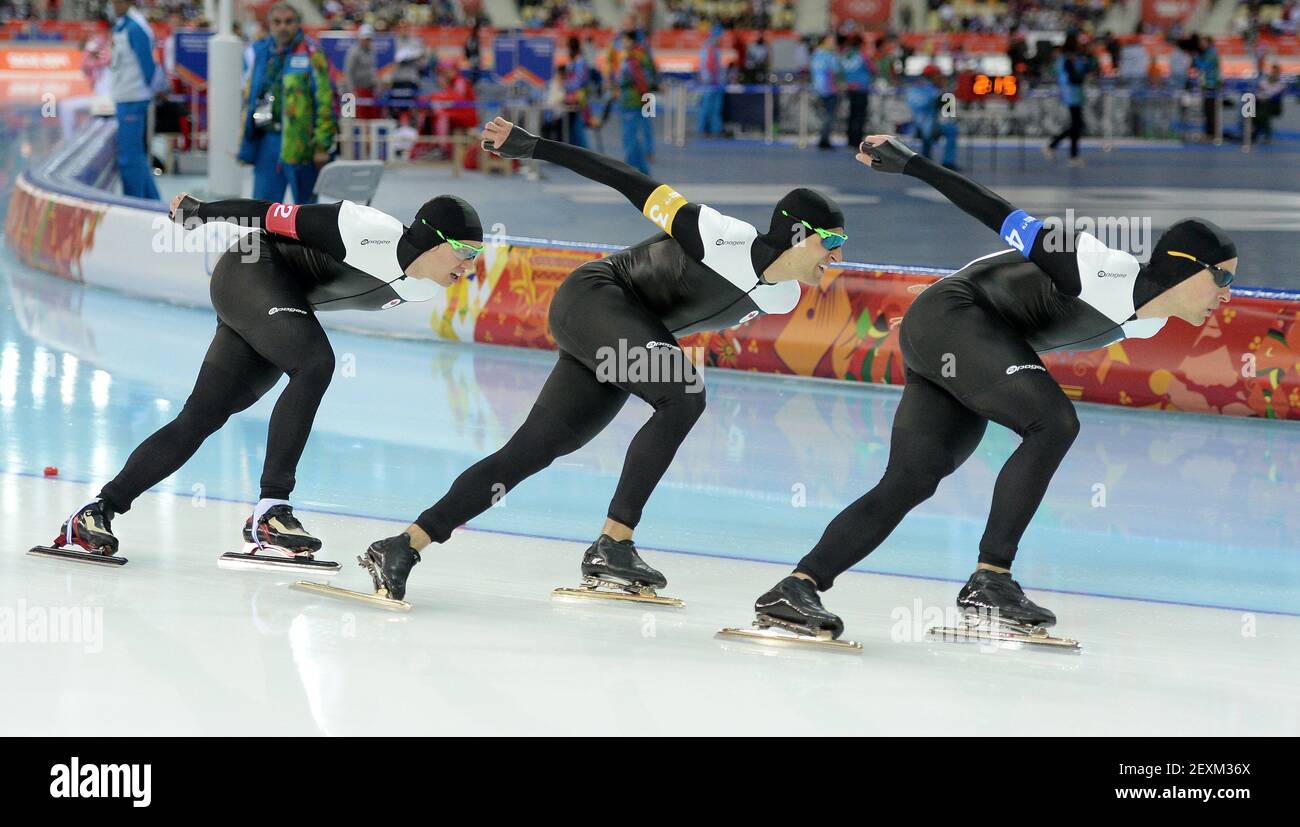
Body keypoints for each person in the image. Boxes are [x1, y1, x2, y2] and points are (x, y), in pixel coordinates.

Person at [746, 135, 1237, 642]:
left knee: (913, 477)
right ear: (1185, 267)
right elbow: (997, 212)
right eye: (1221, 277)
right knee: (1053, 422)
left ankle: (795, 588)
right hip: (952, 316)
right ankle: (991, 579)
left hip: (963, 341)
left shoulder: (1150, 324)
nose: (1227, 293)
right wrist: (913, 164)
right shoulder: (1094, 265)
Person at [355, 116, 847, 602]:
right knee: (684, 396)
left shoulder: (783, 297)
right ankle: (614, 542)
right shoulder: (717, 233)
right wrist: (536, 147)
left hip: (622, 335)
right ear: (799, 233)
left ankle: (402, 545)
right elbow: (624, 178)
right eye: (833, 242)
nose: (837, 256)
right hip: (596, 298)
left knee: (531, 451)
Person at [46, 192, 484, 564]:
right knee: (315, 363)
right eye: (466, 252)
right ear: (431, 239)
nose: (470, 266)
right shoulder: (360, 226)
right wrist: (202, 212)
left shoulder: (426, 286)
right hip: (250, 269)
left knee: (202, 416)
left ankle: (95, 513)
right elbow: (270, 214)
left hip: (279, 302)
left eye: (477, 256)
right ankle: (272, 508)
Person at [238, 3, 337, 204]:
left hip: (303, 145)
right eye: (277, 22)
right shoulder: (260, 52)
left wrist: (321, 146)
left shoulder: (312, 54)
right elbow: (251, 96)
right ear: (269, 25)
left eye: (288, 22)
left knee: (306, 214)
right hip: (267, 141)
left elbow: (326, 102)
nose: (282, 27)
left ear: (298, 24)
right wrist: (247, 140)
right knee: (261, 210)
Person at [109, 0, 163, 200]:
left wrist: (155, 90)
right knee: (136, 156)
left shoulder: (136, 27)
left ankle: (134, 205)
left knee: (130, 159)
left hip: (133, 98)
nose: (112, 5)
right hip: (126, 96)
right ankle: (153, 204)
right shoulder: (123, 25)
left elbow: (148, 66)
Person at [1044, 35, 1088, 166]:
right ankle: (1053, 145)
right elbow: (1074, 77)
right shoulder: (1069, 59)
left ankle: (1072, 155)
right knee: (1077, 125)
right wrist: (1083, 73)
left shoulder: (1067, 58)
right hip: (1072, 94)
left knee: (1077, 125)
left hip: (1073, 94)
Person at [615, 30, 654, 174]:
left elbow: (643, 79)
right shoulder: (627, 57)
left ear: (632, 41)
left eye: (624, 40)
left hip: (637, 99)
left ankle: (630, 167)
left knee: (634, 133)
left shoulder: (636, 58)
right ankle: (643, 168)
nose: (622, 43)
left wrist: (645, 97)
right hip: (632, 99)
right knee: (632, 134)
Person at [906, 65, 959, 170]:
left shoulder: (936, 89)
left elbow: (948, 111)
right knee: (927, 131)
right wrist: (937, 95)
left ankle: (948, 162)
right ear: (931, 76)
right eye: (937, 75)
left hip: (933, 125)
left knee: (952, 129)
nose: (940, 78)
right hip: (918, 125)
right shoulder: (917, 88)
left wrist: (944, 92)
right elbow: (919, 104)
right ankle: (925, 160)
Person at [840, 32, 872, 150]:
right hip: (861, 88)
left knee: (852, 115)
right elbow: (872, 69)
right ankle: (857, 141)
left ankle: (850, 140)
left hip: (850, 88)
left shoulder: (845, 55)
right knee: (860, 116)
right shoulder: (862, 56)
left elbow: (841, 70)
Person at [810, 33, 840, 150]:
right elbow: (834, 70)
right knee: (829, 116)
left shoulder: (816, 54)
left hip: (819, 88)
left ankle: (824, 137)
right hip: (828, 89)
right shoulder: (829, 55)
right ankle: (824, 139)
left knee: (824, 116)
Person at [343, 23, 378, 119]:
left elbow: (372, 69)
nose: (367, 41)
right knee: (354, 119)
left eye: (369, 39)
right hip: (356, 90)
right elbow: (348, 72)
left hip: (369, 89)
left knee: (369, 117)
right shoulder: (353, 52)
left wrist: (376, 85)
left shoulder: (372, 51)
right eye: (366, 38)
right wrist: (352, 91)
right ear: (360, 38)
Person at [697, 23, 725, 136]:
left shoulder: (714, 48)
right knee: (707, 107)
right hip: (710, 83)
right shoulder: (709, 47)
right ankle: (703, 129)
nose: (721, 38)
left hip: (715, 83)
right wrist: (710, 79)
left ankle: (714, 130)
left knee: (715, 107)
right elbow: (708, 66)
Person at [1194, 35, 1222, 143]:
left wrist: (1196, 58)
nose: (1201, 44)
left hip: (1211, 86)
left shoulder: (1211, 54)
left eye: (1203, 42)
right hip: (1207, 85)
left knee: (1210, 111)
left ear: (1209, 43)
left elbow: (1203, 66)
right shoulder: (1207, 53)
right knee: (1207, 110)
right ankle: (1209, 133)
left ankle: (1212, 134)